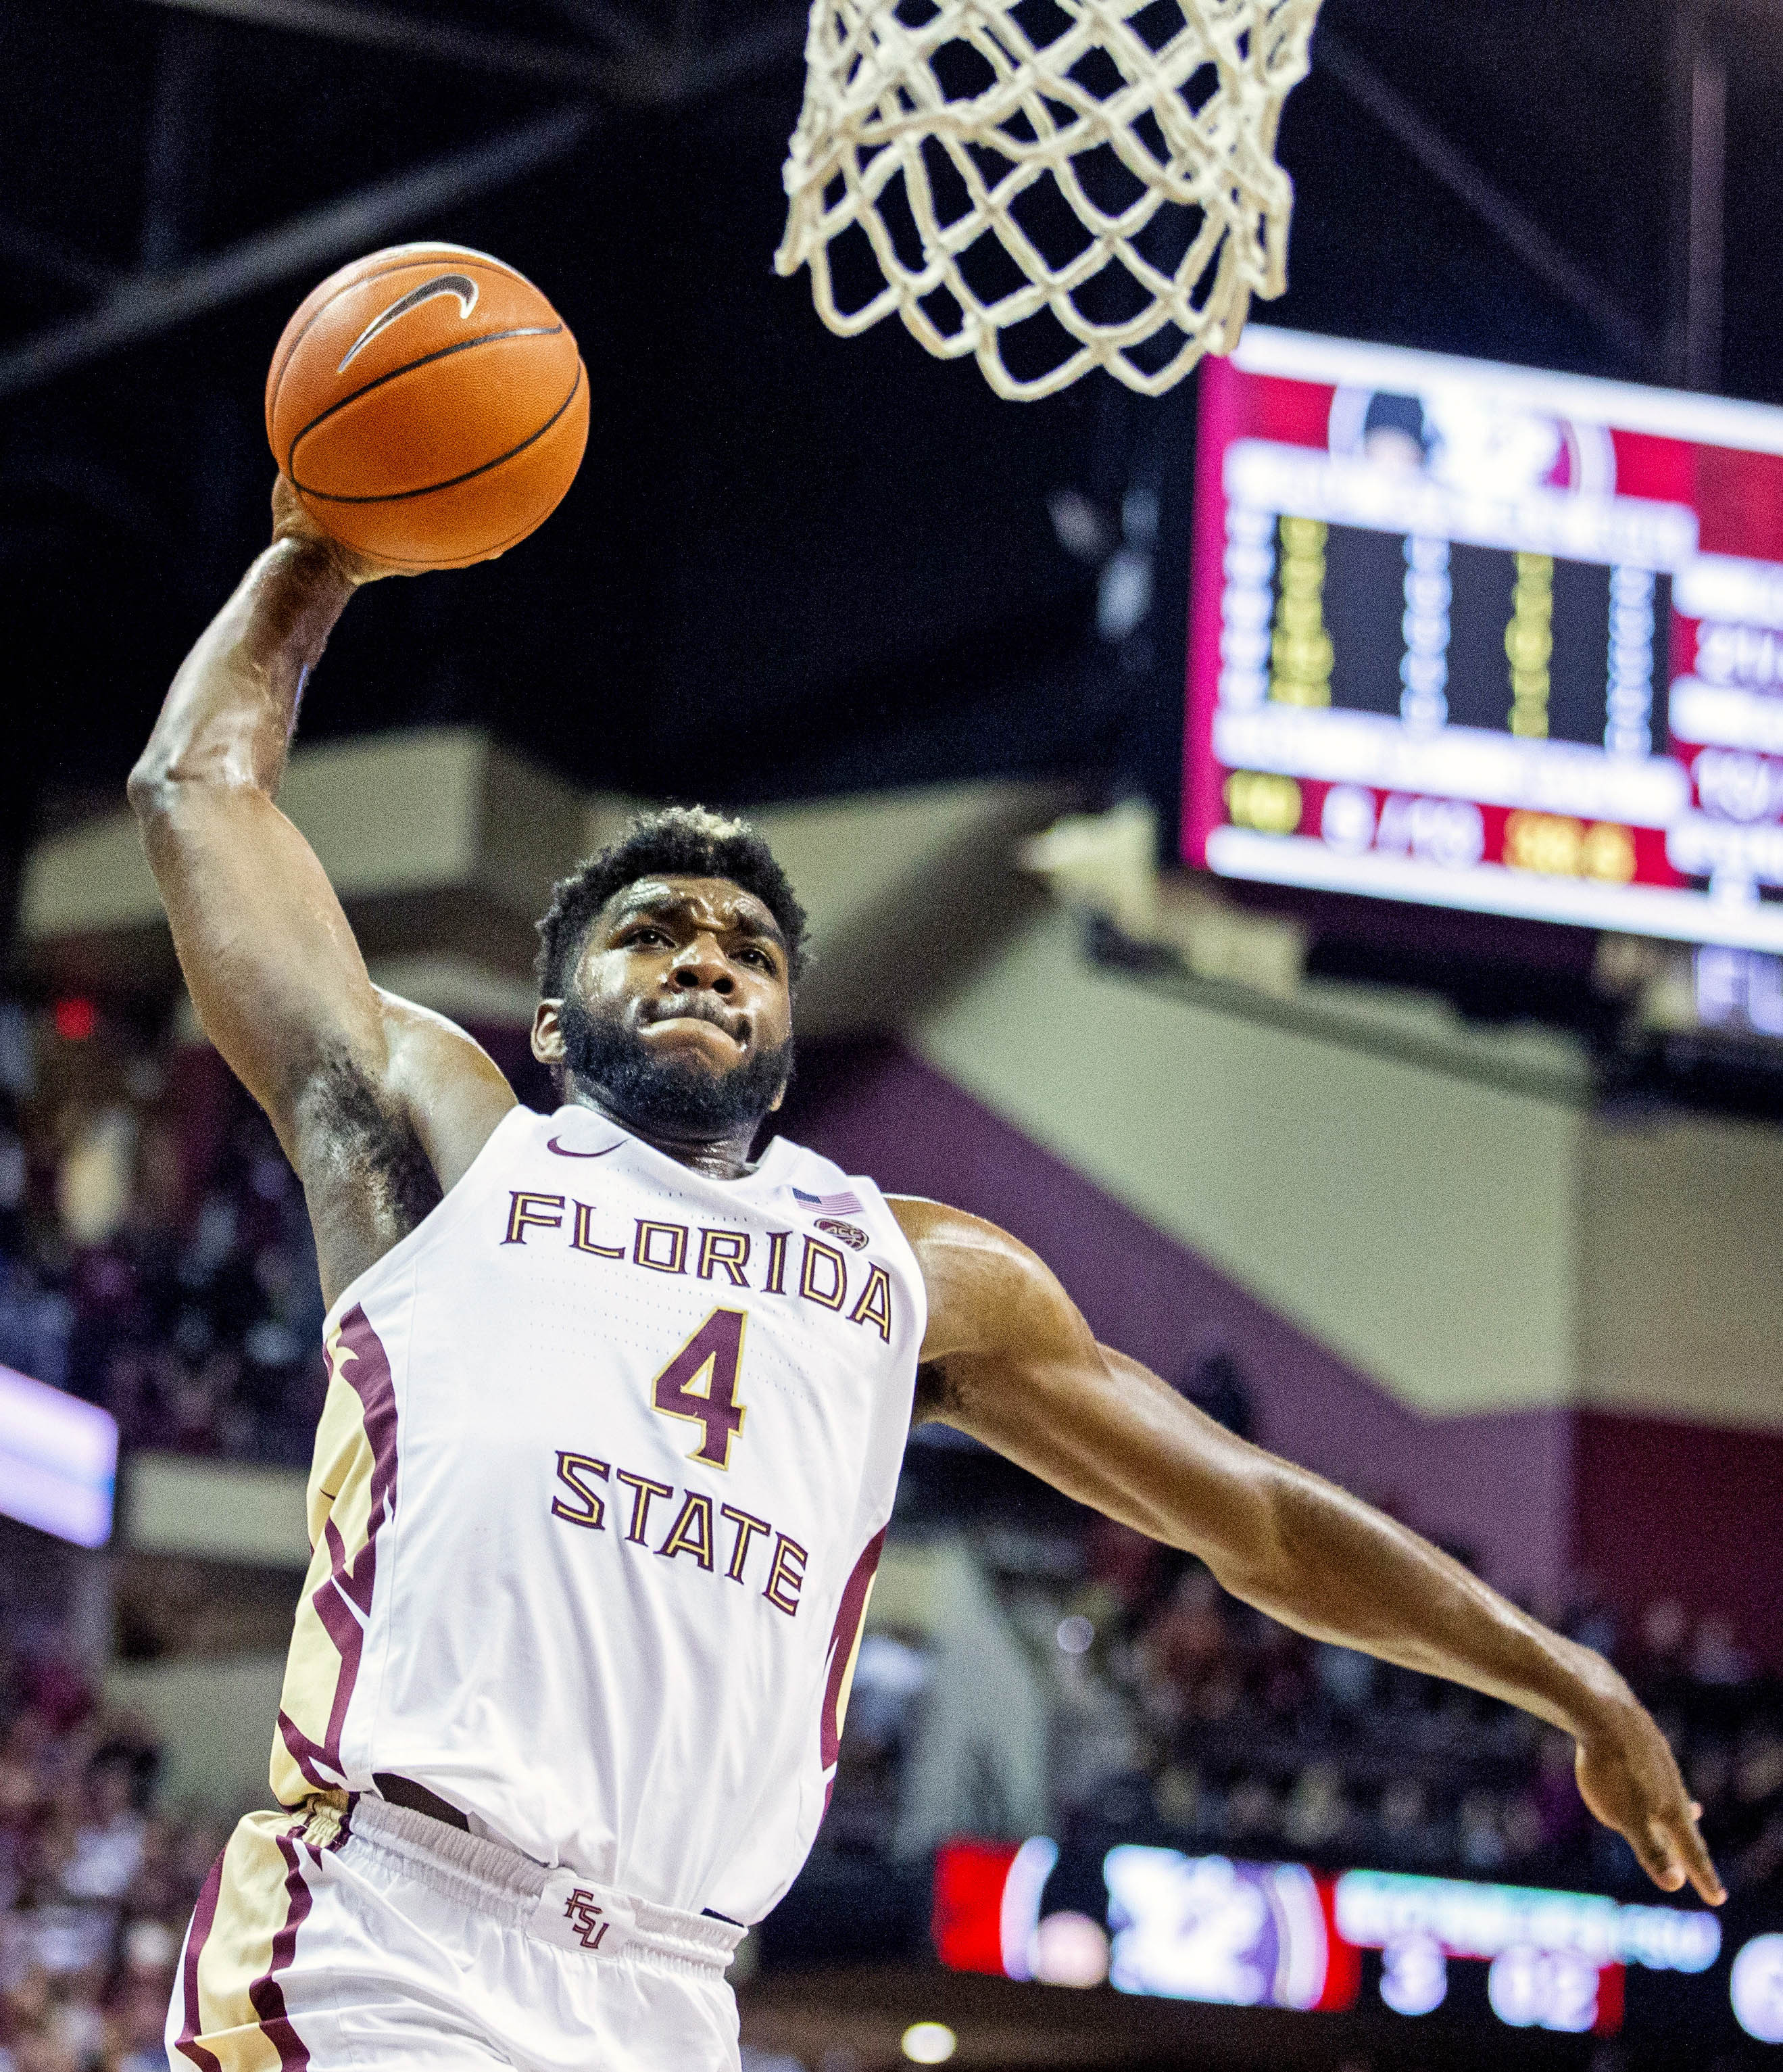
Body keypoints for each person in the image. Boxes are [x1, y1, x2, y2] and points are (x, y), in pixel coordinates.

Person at [132, 483, 1721, 2072]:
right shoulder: (449, 1141)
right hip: (395, 1933)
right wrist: (317, 551)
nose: (703, 958)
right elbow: (199, 792)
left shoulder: (910, 1273)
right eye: (651, 934)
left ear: (782, 1041)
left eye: (747, 952)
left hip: (670, 1993)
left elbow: (1251, 1519)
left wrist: (1564, 1676)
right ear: (550, 1027)